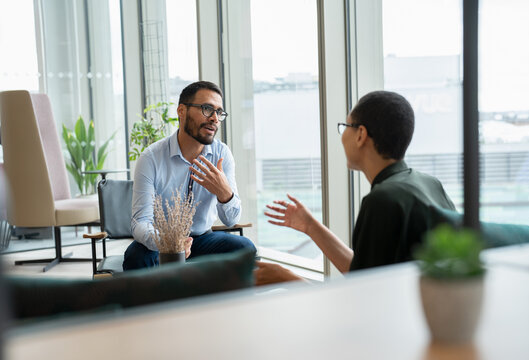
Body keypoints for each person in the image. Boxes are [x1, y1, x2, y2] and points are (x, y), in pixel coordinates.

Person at [256, 91, 456, 285]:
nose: (342, 136)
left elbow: (364, 298)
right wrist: (310, 225)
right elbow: (365, 273)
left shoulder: (383, 200)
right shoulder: (429, 184)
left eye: (345, 126)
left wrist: (285, 277)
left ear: (361, 134)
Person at [123, 81, 255, 270]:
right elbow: (140, 222)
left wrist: (225, 194)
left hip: (203, 239)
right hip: (160, 240)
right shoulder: (151, 157)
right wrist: (169, 244)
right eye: (207, 109)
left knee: (245, 248)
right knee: (136, 256)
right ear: (181, 111)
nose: (215, 118)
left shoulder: (222, 154)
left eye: (219, 112)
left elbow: (231, 220)